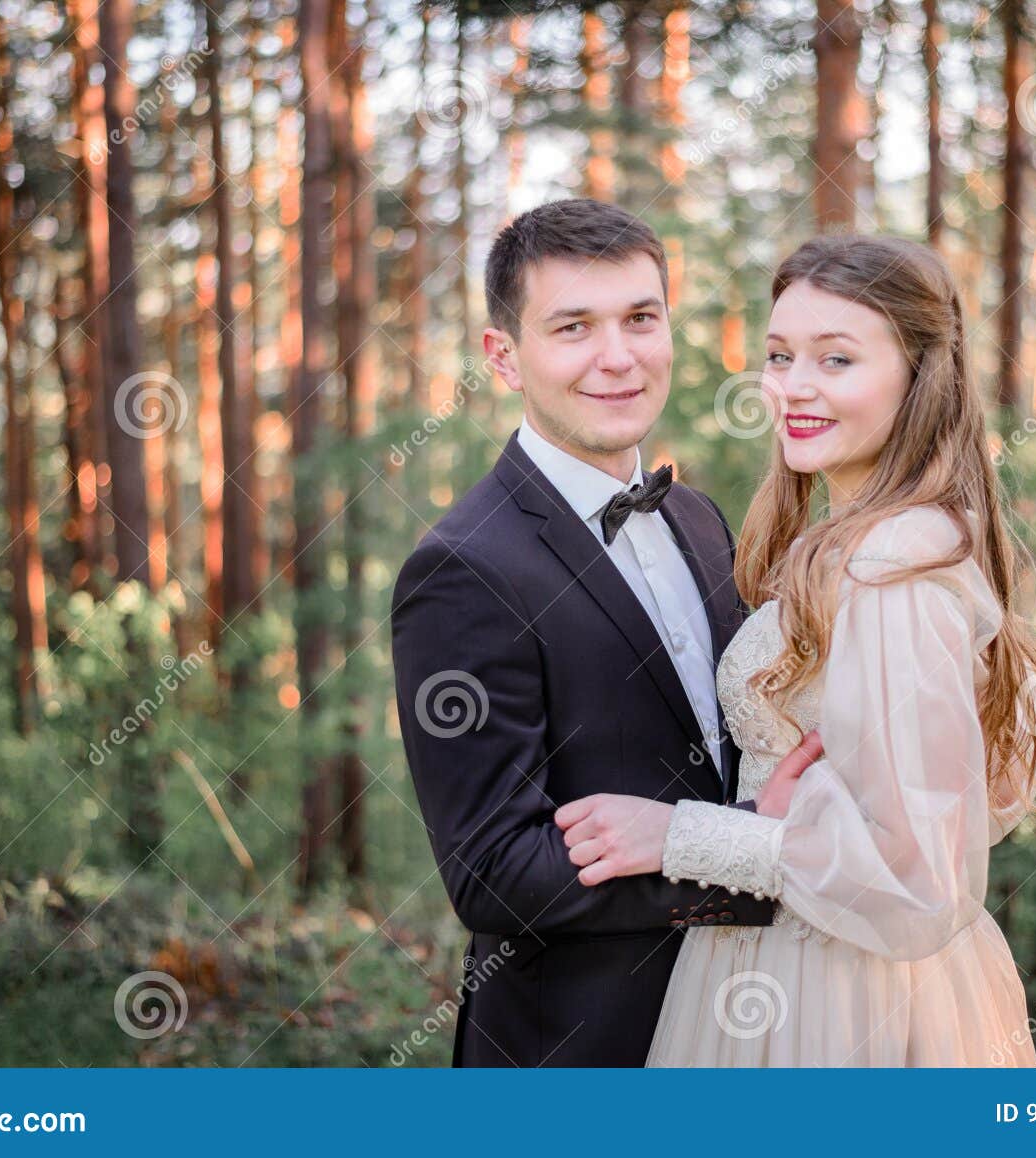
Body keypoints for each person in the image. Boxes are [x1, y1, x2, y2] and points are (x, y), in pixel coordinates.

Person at [556, 234, 1036, 1066]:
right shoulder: (875, 541)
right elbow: (984, 788)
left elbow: (923, 879)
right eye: (781, 356)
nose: (793, 387)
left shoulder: (895, 565)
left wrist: (681, 835)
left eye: (837, 359)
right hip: (794, 960)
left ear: (920, 378)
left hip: (838, 996)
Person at [390, 198, 822, 1067]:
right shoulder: (463, 570)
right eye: (573, 327)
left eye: (639, 318)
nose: (617, 357)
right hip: (579, 1049)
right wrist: (745, 856)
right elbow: (495, 876)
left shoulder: (698, 519)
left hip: (752, 1023)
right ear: (503, 356)